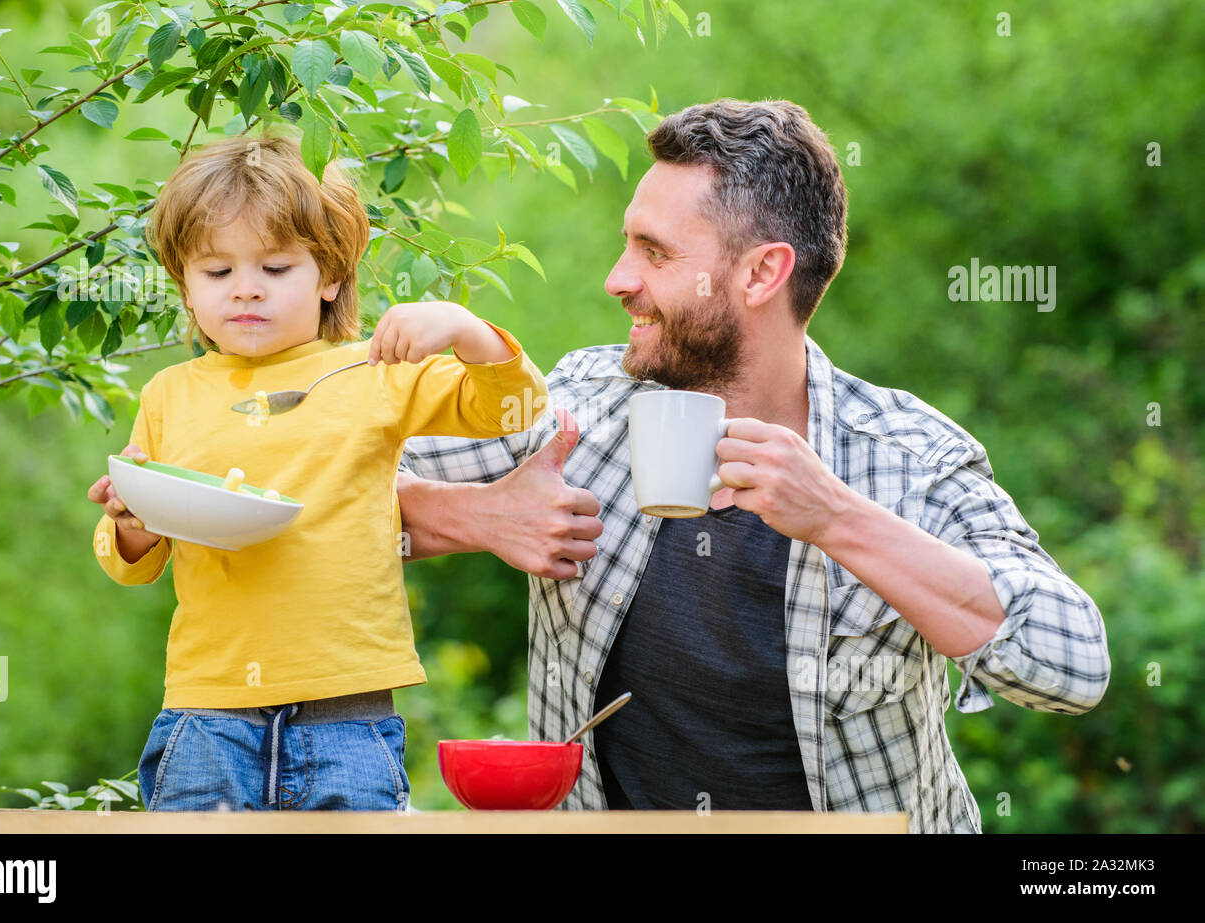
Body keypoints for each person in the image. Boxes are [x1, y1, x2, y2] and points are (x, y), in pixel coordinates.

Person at [395, 99, 1110, 833]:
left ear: (763, 272)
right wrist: (478, 515)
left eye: (656, 252)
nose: (617, 279)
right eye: (626, 245)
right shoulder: (586, 412)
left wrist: (835, 517)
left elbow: (1071, 664)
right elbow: (333, 490)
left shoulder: (907, 458)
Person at [85, 133, 547, 811]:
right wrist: (131, 520)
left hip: (347, 716)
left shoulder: (374, 372)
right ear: (184, 281)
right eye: (217, 273)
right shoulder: (169, 395)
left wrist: (462, 327)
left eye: (275, 268)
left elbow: (516, 407)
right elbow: (130, 561)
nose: (246, 290)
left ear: (329, 274)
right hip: (208, 713)